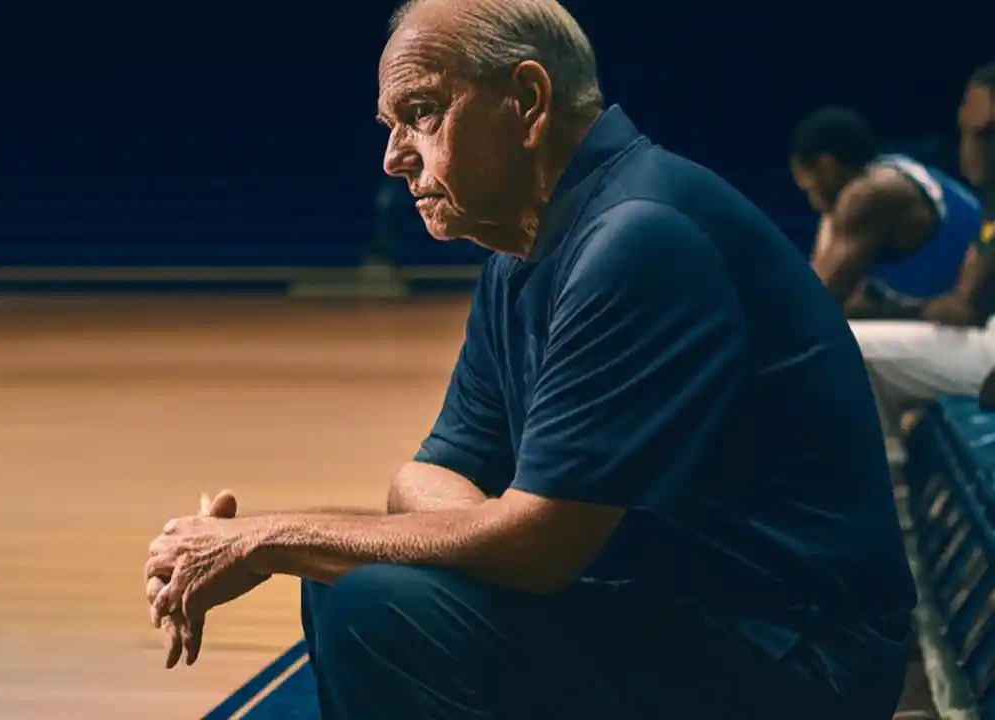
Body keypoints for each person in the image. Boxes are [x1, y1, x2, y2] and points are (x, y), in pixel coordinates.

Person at [146, 1, 917, 717]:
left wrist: (269, 537)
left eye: (420, 114)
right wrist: (504, 524)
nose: (392, 158)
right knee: (354, 583)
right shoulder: (520, 252)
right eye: (390, 125)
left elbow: (539, 547)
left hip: (805, 655)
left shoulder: (639, 237)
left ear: (527, 102)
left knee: (367, 603)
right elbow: (425, 477)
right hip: (693, 605)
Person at [848, 63, 995, 439]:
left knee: (848, 351)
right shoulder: (990, 202)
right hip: (982, 342)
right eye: (966, 133)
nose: (971, 150)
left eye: (987, 136)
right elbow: (964, 307)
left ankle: (886, 493)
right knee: (844, 337)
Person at [790, 106, 982, 318]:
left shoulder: (872, 195)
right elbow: (843, 300)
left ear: (828, 167)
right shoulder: (854, 203)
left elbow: (816, 303)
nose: (810, 200)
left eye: (807, 186)